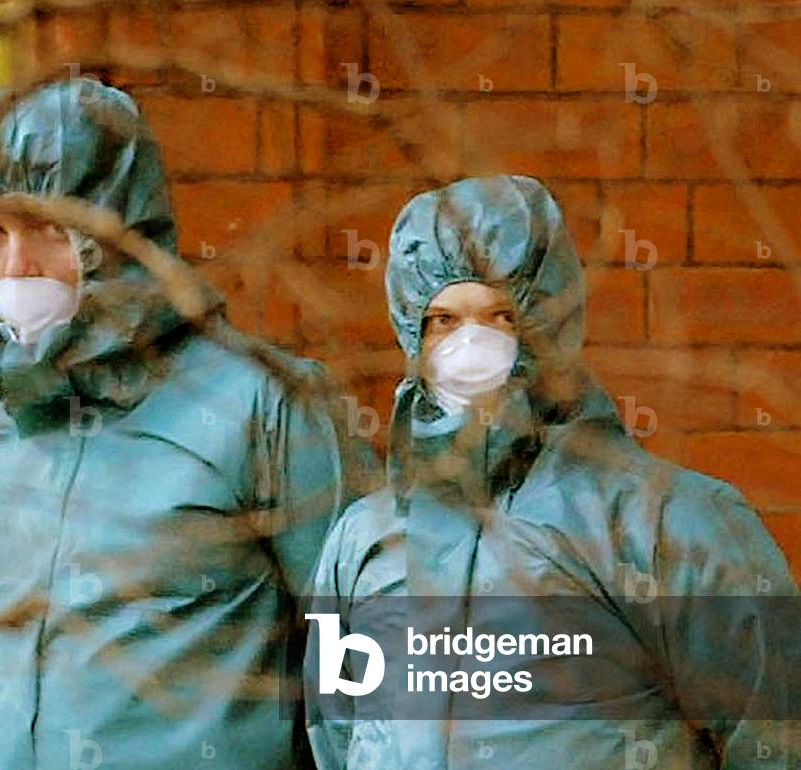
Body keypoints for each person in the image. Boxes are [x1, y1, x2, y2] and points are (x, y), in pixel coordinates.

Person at [0, 78, 362, 770]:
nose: (17, 267)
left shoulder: (265, 404)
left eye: (50, 228)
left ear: (121, 227)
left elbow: (364, 651)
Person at [304, 174, 800, 769]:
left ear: (547, 321)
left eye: (501, 316)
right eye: (444, 321)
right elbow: (336, 733)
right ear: (412, 331)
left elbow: (775, 733)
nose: (471, 345)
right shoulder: (364, 540)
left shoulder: (664, 522)